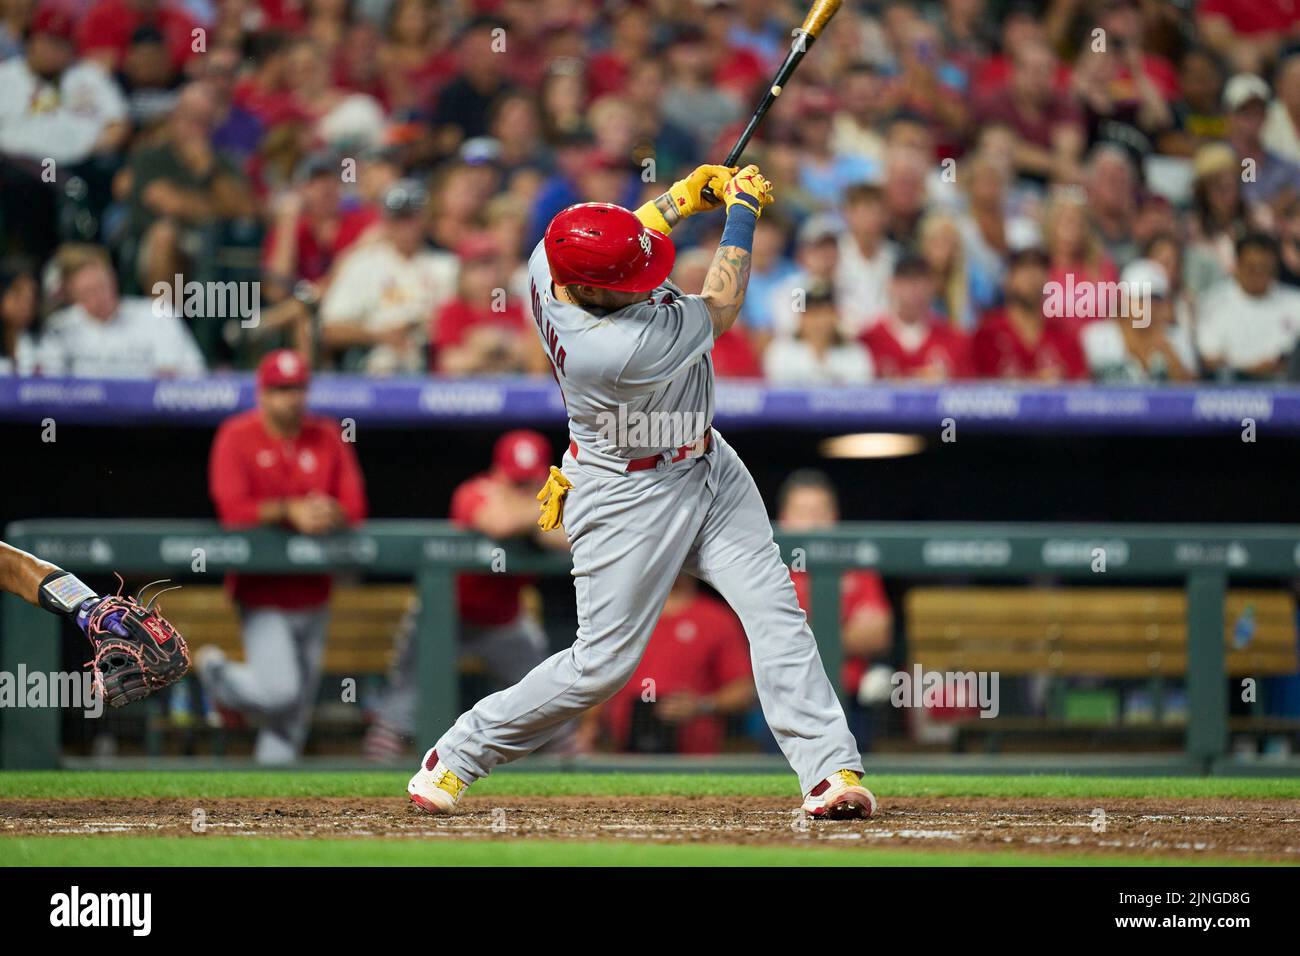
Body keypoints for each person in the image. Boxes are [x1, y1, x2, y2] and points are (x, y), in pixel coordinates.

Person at [407, 164, 877, 820]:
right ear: (594, 293)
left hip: (707, 463)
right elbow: (722, 301)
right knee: (600, 666)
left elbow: (629, 238)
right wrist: (740, 213)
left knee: (774, 611)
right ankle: (458, 754)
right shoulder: (619, 348)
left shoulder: (550, 259)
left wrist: (684, 196)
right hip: (627, 491)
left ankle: (828, 770)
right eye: (630, 281)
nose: (647, 277)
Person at [198, 350, 368, 764]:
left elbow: (356, 506)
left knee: (291, 720)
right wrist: (288, 510)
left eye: (297, 388)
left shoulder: (327, 434)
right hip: (262, 593)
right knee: (280, 693)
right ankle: (218, 676)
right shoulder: (236, 434)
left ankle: (272, 811)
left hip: (315, 592)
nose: (291, 398)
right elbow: (232, 511)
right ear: (262, 392)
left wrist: (333, 511)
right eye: (280, 389)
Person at [364, 430, 571, 762]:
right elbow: (499, 523)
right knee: (397, 714)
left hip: (504, 622)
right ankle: (366, 790)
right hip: (447, 616)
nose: (522, 489)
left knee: (554, 708)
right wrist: (540, 511)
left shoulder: (544, 501)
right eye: (514, 482)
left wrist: (536, 515)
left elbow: (569, 541)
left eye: (529, 482)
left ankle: (581, 787)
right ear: (496, 474)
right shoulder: (473, 492)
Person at [776, 470, 893, 750]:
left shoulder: (857, 565)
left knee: (856, 784)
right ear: (784, 518)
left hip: (849, 700)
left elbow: (877, 636)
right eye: (803, 512)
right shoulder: (770, 567)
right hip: (785, 698)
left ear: (834, 517)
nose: (813, 521)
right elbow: (775, 638)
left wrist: (806, 633)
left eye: (820, 512)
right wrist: (845, 635)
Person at [583, 574, 755, 755]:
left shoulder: (717, 619)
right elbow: (599, 677)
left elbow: (743, 691)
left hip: (692, 755)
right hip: (624, 752)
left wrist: (701, 705)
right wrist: (589, 723)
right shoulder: (623, 616)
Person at [318, 179, 457, 373]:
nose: (406, 225)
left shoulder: (447, 265)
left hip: (433, 354)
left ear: (425, 218)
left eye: (412, 216)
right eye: (399, 217)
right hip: (375, 354)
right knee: (387, 359)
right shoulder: (363, 264)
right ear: (385, 221)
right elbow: (329, 329)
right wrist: (379, 335)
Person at [36, 247, 206, 378]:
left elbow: (194, 373)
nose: (99, 297)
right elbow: (49, 386)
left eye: (102, 286)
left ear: (113, 280)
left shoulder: (158, 314)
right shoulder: (60, 327)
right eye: (88, 291)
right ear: (74, 296)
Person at [971, 247, 1087, 381]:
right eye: (1023, 269)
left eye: (1039, 269)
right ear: (1008, 280)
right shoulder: (987, 335)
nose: (1031, 276)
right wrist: (1036, 380)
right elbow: (975, 390)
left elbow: (1082, 388)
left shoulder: (1064, 336)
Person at [1198, 232, 1300, 380]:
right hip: (1231, 390)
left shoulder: (1295, 302)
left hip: (1286, 388)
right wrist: (1255, 371)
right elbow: (1210, 359)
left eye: (1265, 267)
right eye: (1252, 268)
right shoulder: (1213, 302)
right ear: (1237, 265)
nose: (1259, 274)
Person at [862, 254, 972, 380]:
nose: (913, 288)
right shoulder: (870, 339)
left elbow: (967, 391)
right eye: (906, 280)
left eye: (920, 280)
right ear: (892, 285)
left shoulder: (955, 340)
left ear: (932, 285)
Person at [763, 281, 874, 385]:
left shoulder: (855, 354)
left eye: (824, 313)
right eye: (812, 314)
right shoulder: (782, 351)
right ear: (801, 318)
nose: (819, 321)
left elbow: (859, 397)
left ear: (836, 316)